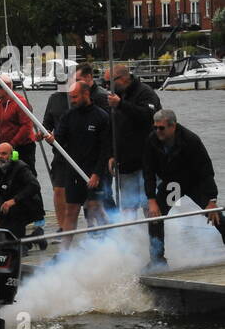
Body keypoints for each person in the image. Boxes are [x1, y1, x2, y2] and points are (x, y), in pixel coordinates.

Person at [143, 108, 224, 267]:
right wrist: (151, 199)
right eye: (155, 127)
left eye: (161, 128)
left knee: (214, 214)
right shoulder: (151, 140)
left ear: (173, 126)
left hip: (195, 182)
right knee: (155, 217)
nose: (157, 131)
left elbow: (206, 171)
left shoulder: (191, 140)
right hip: (173, 184)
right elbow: (148, 172)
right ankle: (157, 260)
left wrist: (211, 200)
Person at [44, 79, 110, 242]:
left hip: (94, 172)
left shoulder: (101, 117)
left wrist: (96, 174)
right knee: (71, 211)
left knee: (95, 208)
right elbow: (60, 137)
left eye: (74, 97)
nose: (72, 101)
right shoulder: (69, 116)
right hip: (73, 170)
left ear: (86, 94)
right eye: (70, 97)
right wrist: (52, 139)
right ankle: (65, 252)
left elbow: (105, 150)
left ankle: (109, 239)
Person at [106, 64, 160, 216]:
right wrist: (112, 153)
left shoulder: (145, 93)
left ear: (122, 79)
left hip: (147, 162)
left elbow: (149, 116)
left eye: (109, 82)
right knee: (128, 207)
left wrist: (121, 105)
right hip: (125, 162)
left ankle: (155, 237)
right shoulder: (116, 96)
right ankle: (130, 238)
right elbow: (112, 128)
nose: (107, 87)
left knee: (149, 205)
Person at [0, 142, 44, 239]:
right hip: (7, 207)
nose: (0, 156)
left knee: (12, 237)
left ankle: (32, 239)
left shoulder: (21, 168)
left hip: (26, 205)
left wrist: (14, 200)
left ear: (12, 155)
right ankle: (35, 237)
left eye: (4, 154)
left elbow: (34, 186)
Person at [0, 76, 36, 174]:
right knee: (4, 175)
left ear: (7, 87)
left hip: (23, 147)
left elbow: (26, 127)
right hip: (4, 148)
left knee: (26, 175)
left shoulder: (21, 103)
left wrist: (12, 144)